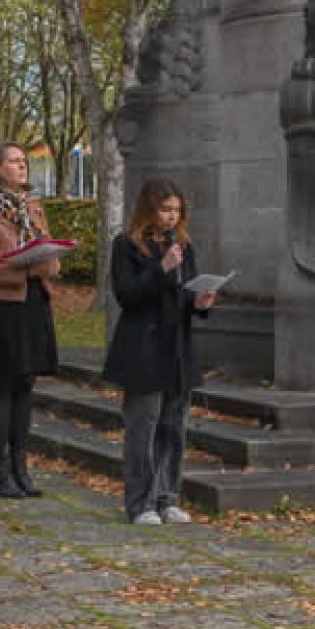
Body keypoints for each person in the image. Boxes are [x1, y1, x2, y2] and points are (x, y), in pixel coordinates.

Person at [102, 176, 216, 526]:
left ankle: (169, 497)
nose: (171, 217)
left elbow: (185, 295)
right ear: (149, 209)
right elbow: (128, 295)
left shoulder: (183, 246)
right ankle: (141, 503)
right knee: (144, 429)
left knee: (173, 427)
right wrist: (160, 269)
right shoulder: (126, 245)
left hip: (177, 347)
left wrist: (201, 301)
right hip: (142, 347)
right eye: (165, 210)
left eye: (176, 211)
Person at [0, 142, 61, 500]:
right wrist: (24, 267)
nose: (23, 166)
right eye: (15, 161)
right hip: (1, 306)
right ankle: (1, 471)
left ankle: (22, 468)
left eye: (25, 161)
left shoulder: (33, 208)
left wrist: (49, 261)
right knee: (3, 385)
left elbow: (49, 258)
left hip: (34, 302)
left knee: (26, 384)